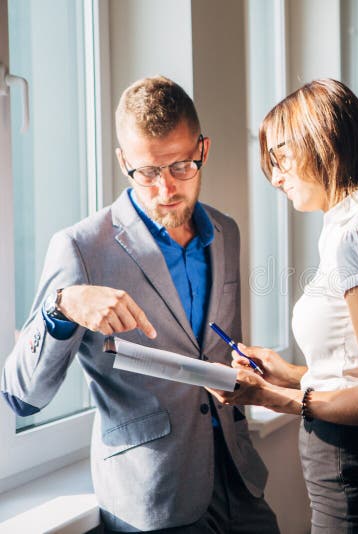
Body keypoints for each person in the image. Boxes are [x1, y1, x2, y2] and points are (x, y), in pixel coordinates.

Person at [1, 76, 280, 533]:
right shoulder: (80, 248)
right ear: (123, 161)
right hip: (155, 499)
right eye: (147, 172)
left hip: (240, 481)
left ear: (203, 149)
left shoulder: (225, 231)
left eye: (181, 166)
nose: (166, 189)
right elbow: (20, 396)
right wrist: (61, 306)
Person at [206, 78, 358, 533]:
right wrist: (287, 372)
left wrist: (271, 397)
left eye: (280, 158)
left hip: (356, 471)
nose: (276, 178)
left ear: (322, 143)